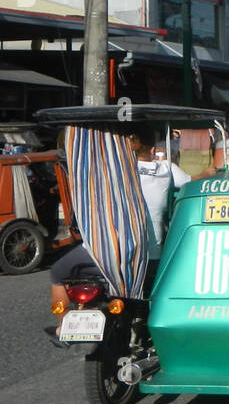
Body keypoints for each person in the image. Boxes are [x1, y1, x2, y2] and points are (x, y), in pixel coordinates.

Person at [50, 125, 191, 310]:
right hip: (148, 257)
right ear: (153, 150)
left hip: (101, 252)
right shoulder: (166, 169)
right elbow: (192, 182)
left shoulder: (109, 169)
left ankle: (62, 324)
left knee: (57, 271)